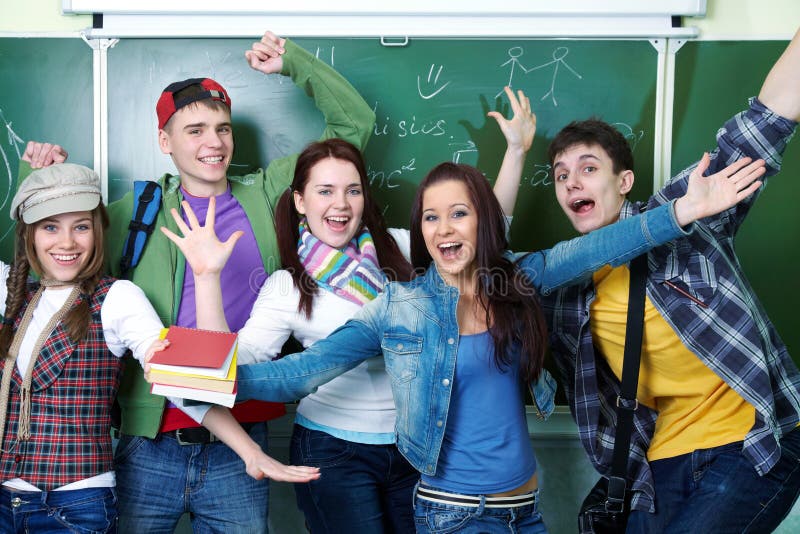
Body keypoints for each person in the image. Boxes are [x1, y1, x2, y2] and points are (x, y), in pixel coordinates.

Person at [152, 141, 765, 532]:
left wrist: (682, 212)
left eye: (460, 212)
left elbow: (598, 246)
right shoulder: (401, 306)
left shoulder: (517, 279)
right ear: (419, 230)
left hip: (526, 512)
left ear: (484, 223)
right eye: (431, 216)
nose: (445, 227)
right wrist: (194, 373)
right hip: (454, 517)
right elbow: (295, 374)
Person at [23, 30, 374, 532]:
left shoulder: (270, 196)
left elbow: (354, 126)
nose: (214, 142)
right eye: (195, 130)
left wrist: (294, 62)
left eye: (223, 129)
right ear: (164, 141)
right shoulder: (136, 213)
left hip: (241, 441)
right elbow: (41, 267)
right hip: (147, 444)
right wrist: (36, 184)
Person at [153, 87, 536, 533]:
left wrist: (516, 152)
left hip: (417, 447)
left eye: (353, 190)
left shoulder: (403, 248)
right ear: (300, 201)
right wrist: (207, 277)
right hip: (333, 452)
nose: (341, 204)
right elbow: (236, 365)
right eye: (325, 191)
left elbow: (486, 236)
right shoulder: (287, 286)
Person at [541, 28, 800, 533]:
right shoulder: (565, 289)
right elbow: (489, 270)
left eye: (588, 168)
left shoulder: (684, 214)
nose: (572, 181)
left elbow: (769, 118)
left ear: (624, 182)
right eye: (559, 174)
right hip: (655, 464)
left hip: (750, 442)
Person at [0, 162, 215, 533]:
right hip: (5, 501)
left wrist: (207, 277)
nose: (67, 242)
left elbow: (170, 367)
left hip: (75, 506)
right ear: (30, 234)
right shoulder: (12, 292)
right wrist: (27, 174)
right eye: (50, 227)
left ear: (98, 231)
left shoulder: (118, 298)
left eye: (81, 226)